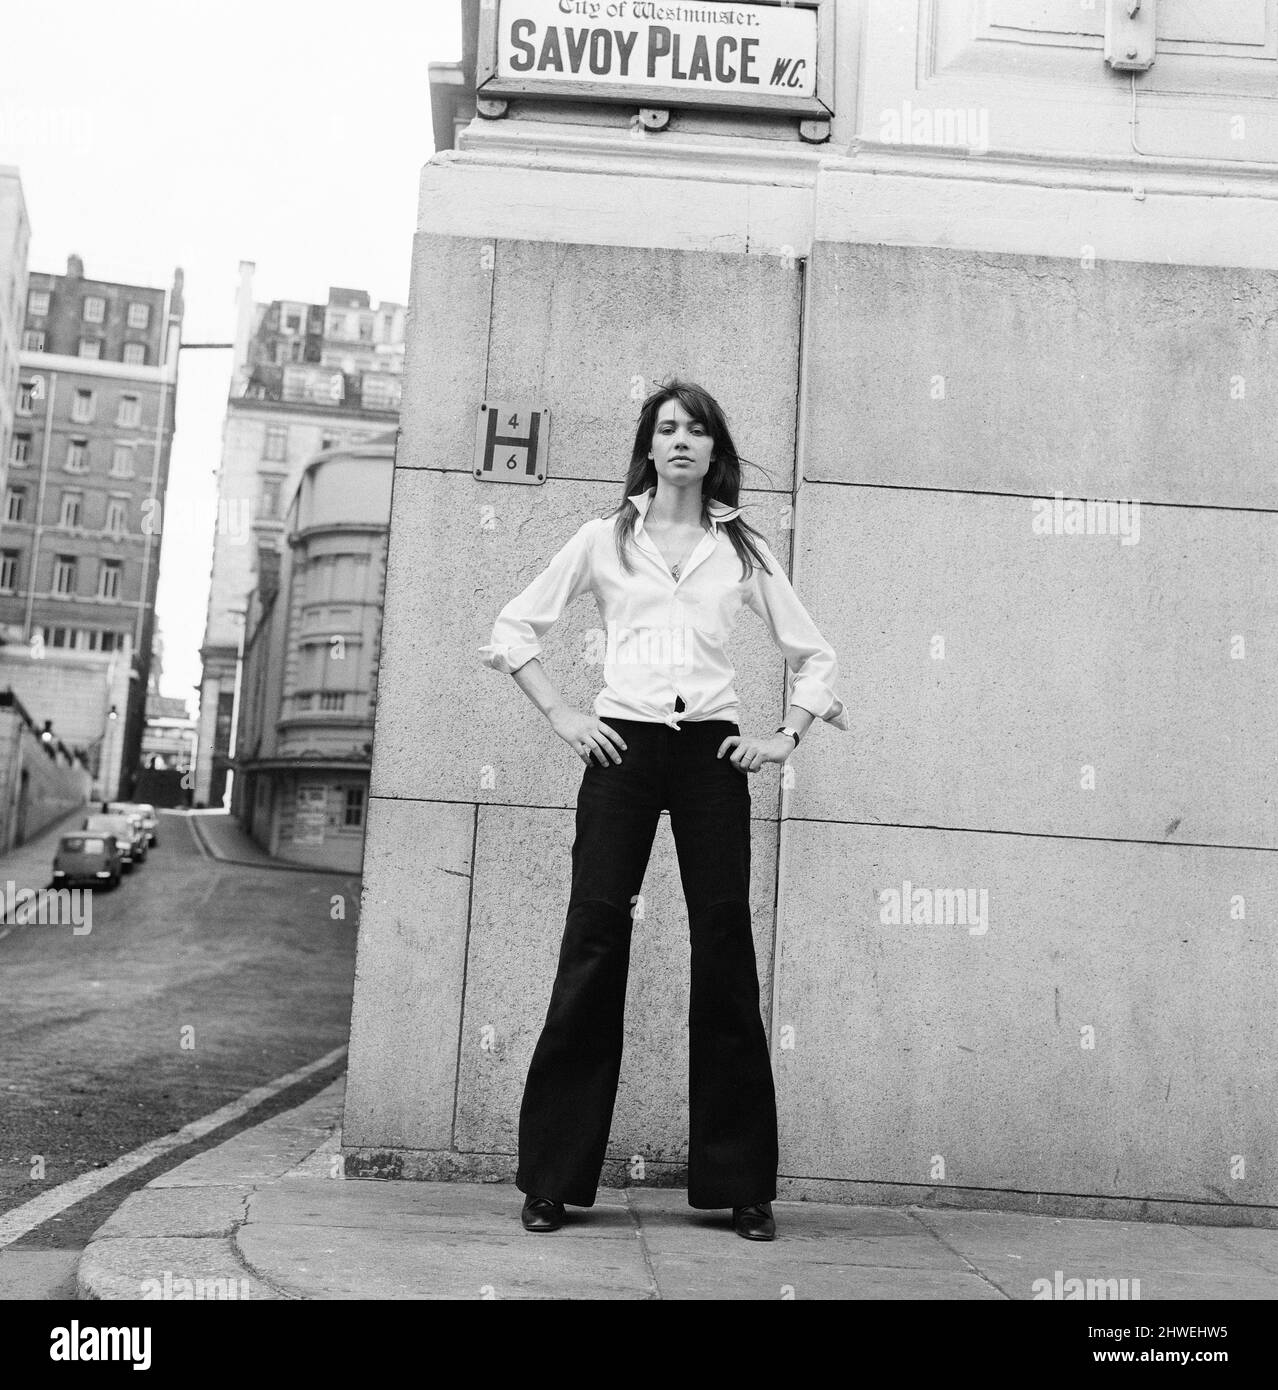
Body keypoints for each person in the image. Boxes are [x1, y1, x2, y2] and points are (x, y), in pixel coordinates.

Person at [479, 379, 849, 1241]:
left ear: (715, 451)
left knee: (724, 945)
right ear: (648, 446)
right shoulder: (603, 540)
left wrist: (786, 736)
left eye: (697, 430)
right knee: (594, 940)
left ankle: (741, 1185)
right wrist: (565, 715)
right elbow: (513, 629)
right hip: (623, 750)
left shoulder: (742, 551)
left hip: (711, 755)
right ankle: (553, 1180)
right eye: (667, 428)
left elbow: (813, 652)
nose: (681, 440)